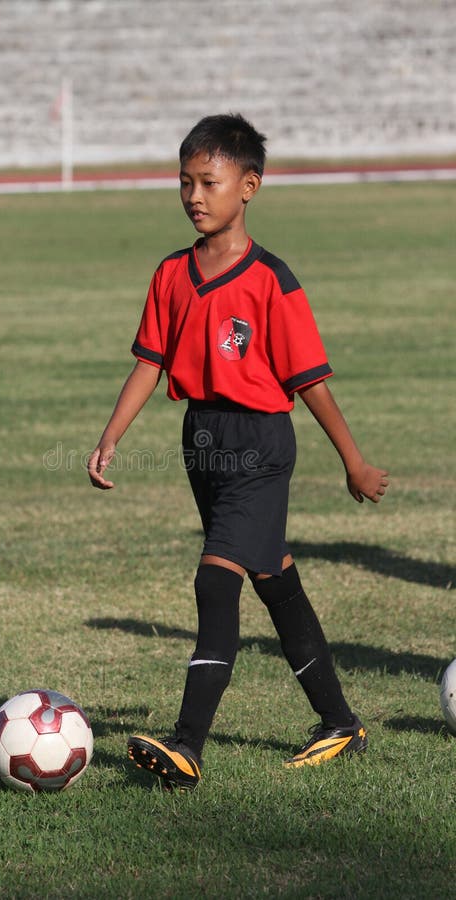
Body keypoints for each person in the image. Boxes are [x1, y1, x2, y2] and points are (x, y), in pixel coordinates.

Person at [88, 113, 389, 790]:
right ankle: (339, 721)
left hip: (259, 445)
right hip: (201, 440)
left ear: (249, 185)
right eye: (185, 183)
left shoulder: (271, 282)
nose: (195, 196)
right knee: (273, 577)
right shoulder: (171, 274)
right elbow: (148, 363)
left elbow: (310, 381)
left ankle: (188, 746)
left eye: (209, 182)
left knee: (214, 578)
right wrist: (111, 438)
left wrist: (353, 460)